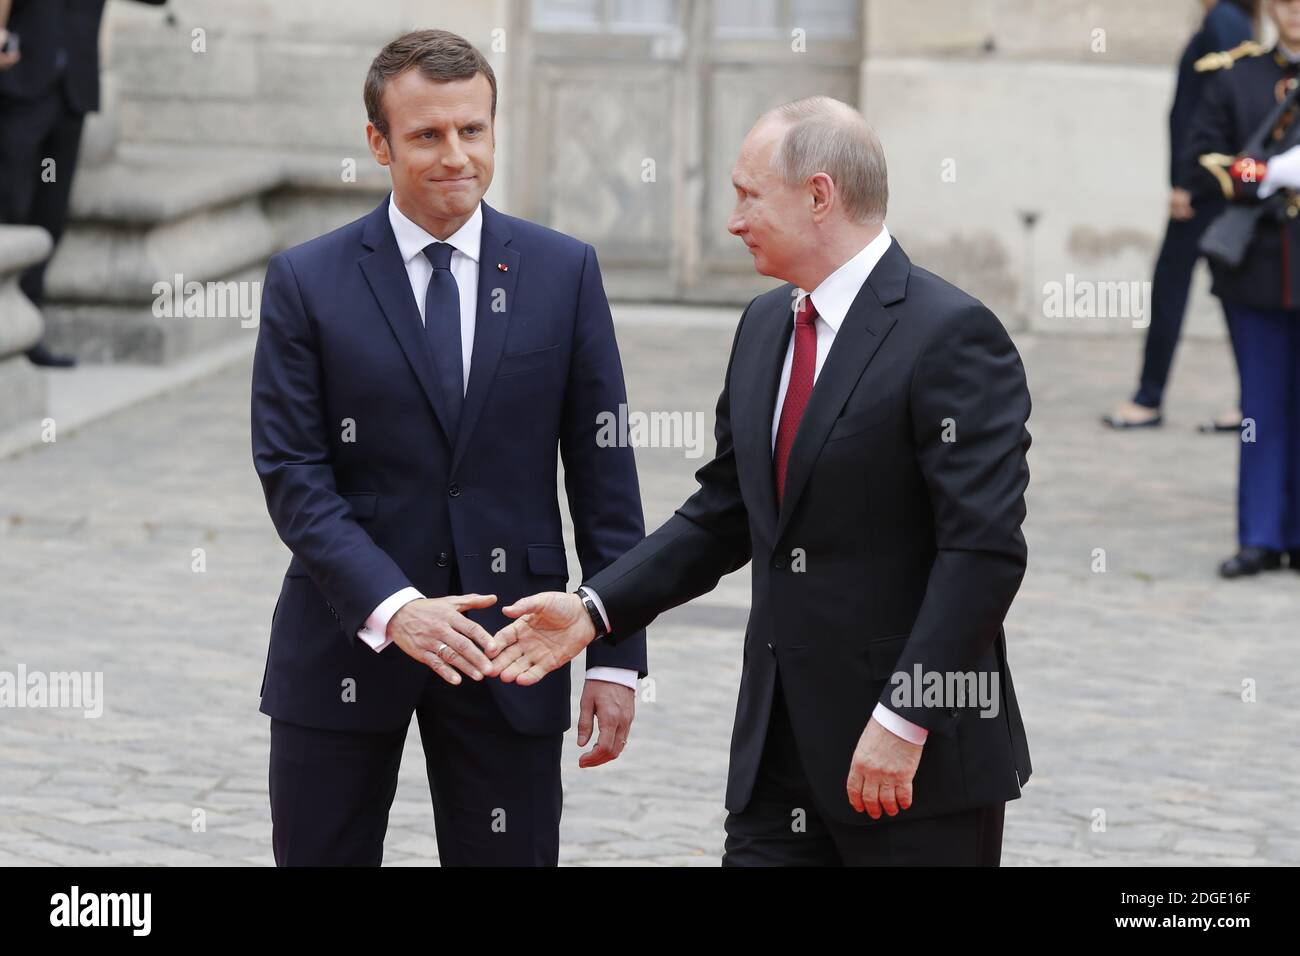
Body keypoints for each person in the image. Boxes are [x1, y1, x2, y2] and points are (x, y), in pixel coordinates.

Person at [491, 97, 1033, 866]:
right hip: (776, 763)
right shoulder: (765, 325)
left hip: (914, 768)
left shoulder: (952, 336)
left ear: (819, 196)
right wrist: (594, 608)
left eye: (748, 195)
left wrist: (907, 718)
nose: (733, 221)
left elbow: (982, 553)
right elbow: (725, 511)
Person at [251, 30, 647, 866]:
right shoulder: (306, 280)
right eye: (428, 134)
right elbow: (293, 474)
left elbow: (605, 470)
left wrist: (617, 654)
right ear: (379, 143)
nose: (455, 155)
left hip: (515, 645)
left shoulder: (562, 271)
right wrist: (395, 610)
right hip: (344, 646)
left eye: (473, 130)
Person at [1185, 0, 1300, 577]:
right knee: (1261, 405)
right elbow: (1206, 157)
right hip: (1257, 270)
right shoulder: (1237, 74)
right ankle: (1259, 534)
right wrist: (1273, 174)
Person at [1103, 0, 1256, 431]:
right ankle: (1252, 401)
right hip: (1209, 182)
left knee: (1173, 284)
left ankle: (1149, 398)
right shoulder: (1229, 19)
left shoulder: (1225, 19)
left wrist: (1187, 181)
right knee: (1229, 289)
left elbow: (1222, 103)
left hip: (1204, 187)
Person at [0, 0, 167, 367]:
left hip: (72, 93)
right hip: (21, 85)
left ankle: (27, 327)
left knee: (51, 214)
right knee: (11, 207)